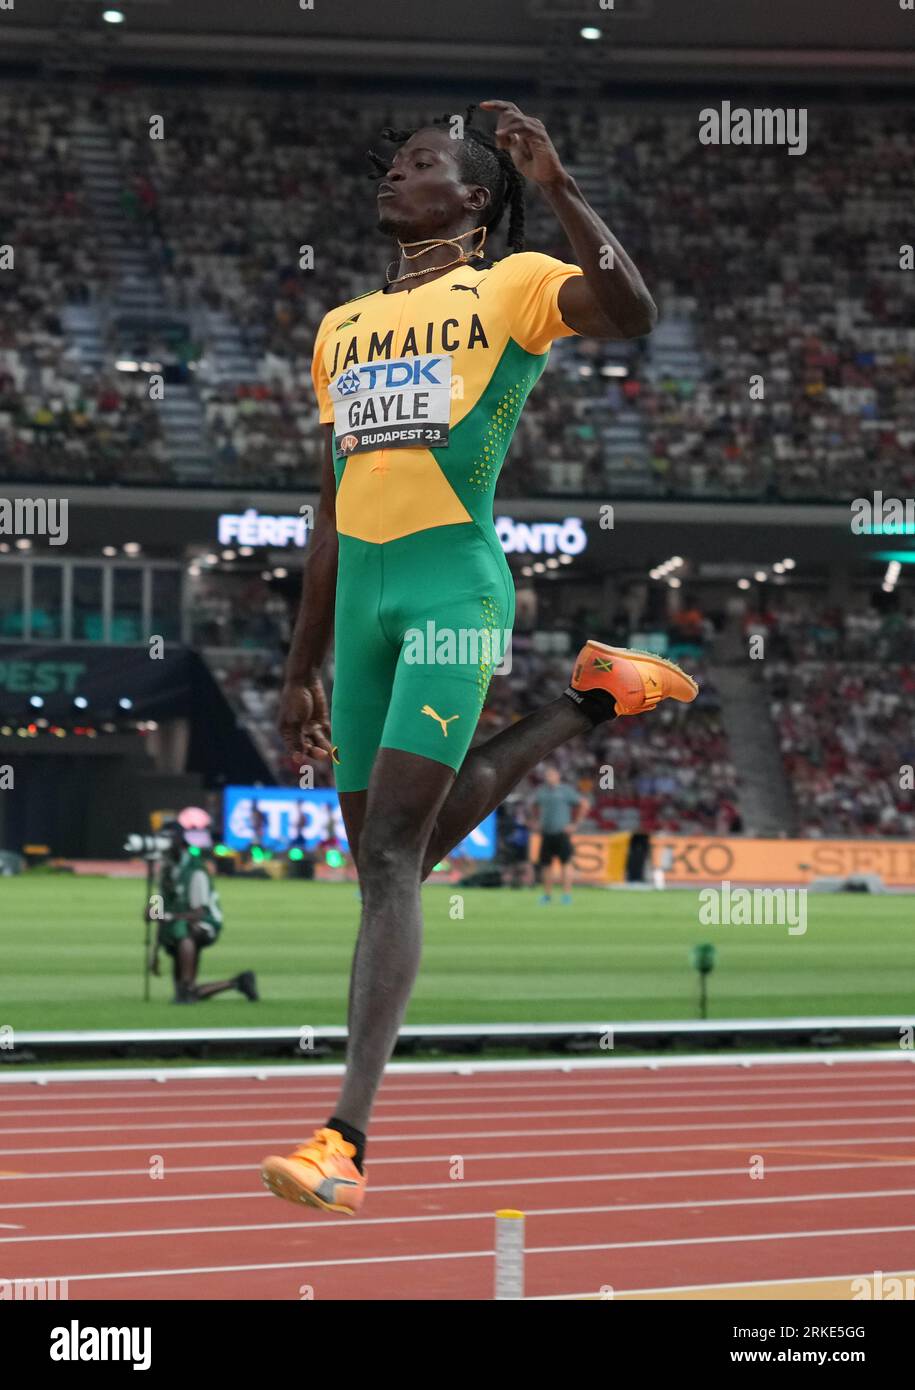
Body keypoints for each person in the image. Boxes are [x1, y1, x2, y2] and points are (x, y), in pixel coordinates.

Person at [261, 100, 697, 1215]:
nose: (389, 178)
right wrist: (300, 663)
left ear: (470, 198)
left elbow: (634, 312)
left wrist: (556, 184)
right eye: (392, 165)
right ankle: (590, 699)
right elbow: (325, 509)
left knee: (397, 850)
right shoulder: (342, 324)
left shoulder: (509, 284)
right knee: (383, 854)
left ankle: (343, 1139)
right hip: (360, 601)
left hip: (454, 583)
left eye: (416, 166)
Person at [148, 821, 258, 1004]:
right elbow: (158, 906)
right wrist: (155, 951)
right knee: (183, 994)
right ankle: (238, 982)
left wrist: (168, 916)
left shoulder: (195, 870)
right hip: (179, 923)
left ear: (178, 842)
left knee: (184, 929)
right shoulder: (166, 870)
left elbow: (199, 912)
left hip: (206, 922)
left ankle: (188, 985)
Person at [532, 765, 588, 904]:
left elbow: (583, 804)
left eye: (551, 774)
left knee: (566, 863)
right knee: (546, 865)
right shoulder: (542, 791)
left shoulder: (565, 791)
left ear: (558, 776)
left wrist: (575, 824)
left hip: (562, 833)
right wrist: (536, 821)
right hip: (546, 833)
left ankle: (566, 895)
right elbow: (534, 805)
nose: (548, 777)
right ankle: (547, 895)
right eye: (547, 775)